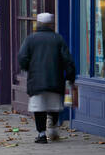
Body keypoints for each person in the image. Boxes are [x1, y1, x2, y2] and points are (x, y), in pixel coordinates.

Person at [17, 12, 75, 144]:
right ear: (50, 25)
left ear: (38, 24)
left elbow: (22, 57)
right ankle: (53, 128)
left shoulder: (30, 39)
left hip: (36, 80)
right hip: (55, 78)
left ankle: (41, 134)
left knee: (39, 107)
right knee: (54, 105)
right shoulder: (58, 38)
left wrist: (28, 68)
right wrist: (70, 75)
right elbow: (67, 60)